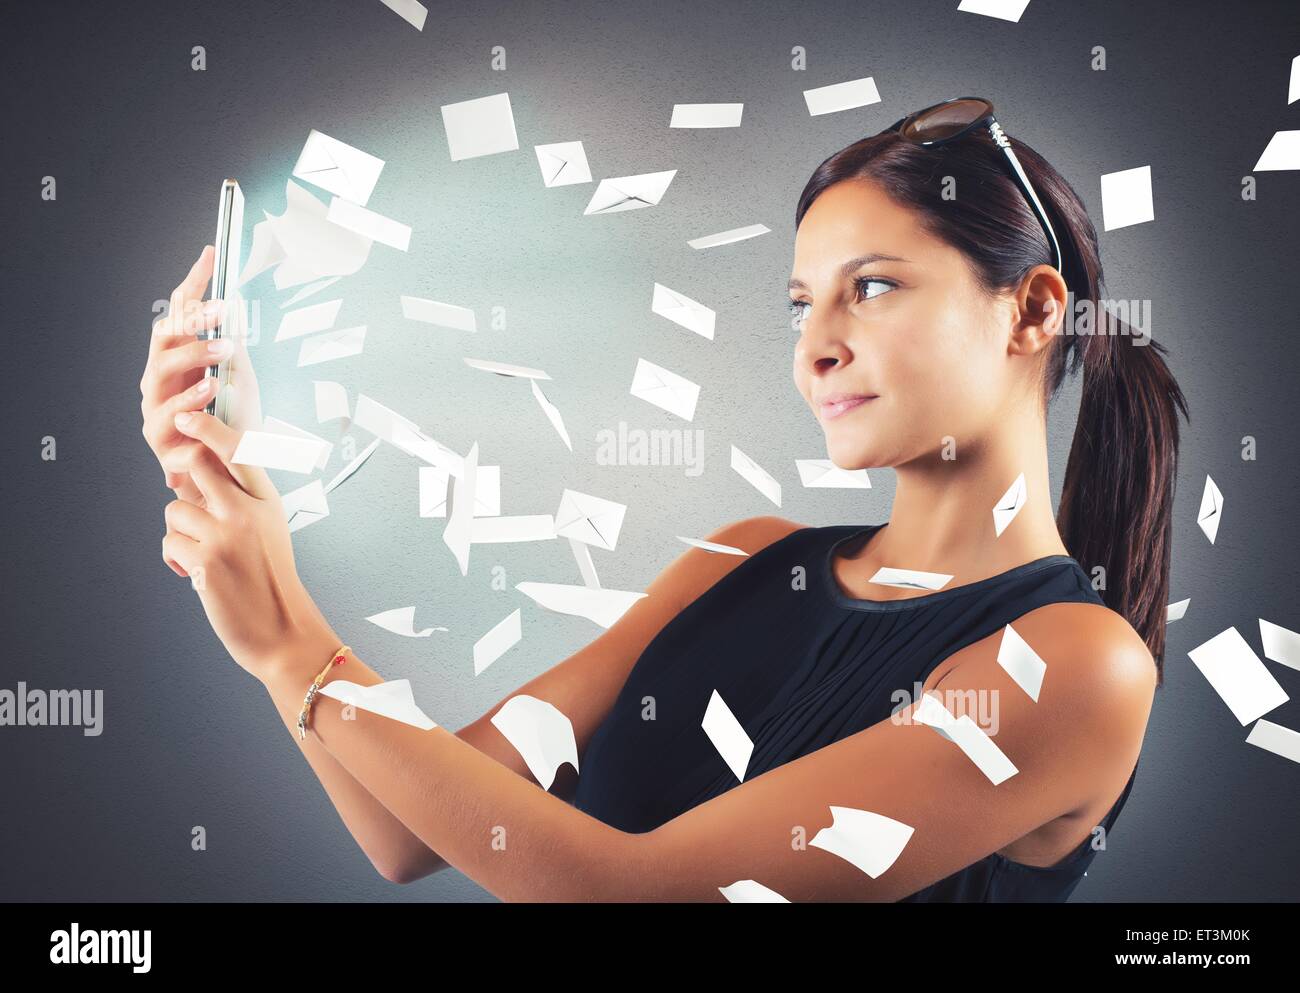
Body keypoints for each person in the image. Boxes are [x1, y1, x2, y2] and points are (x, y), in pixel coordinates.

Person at [138, 97, 1187, 901]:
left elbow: (635, 898)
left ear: (1032, 309)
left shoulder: (1075, 667)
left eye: (870, 287)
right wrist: (236, 511)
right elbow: (407, 829)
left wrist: (293, 643)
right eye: (798, 305)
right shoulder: (742, 560)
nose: (818, 346)